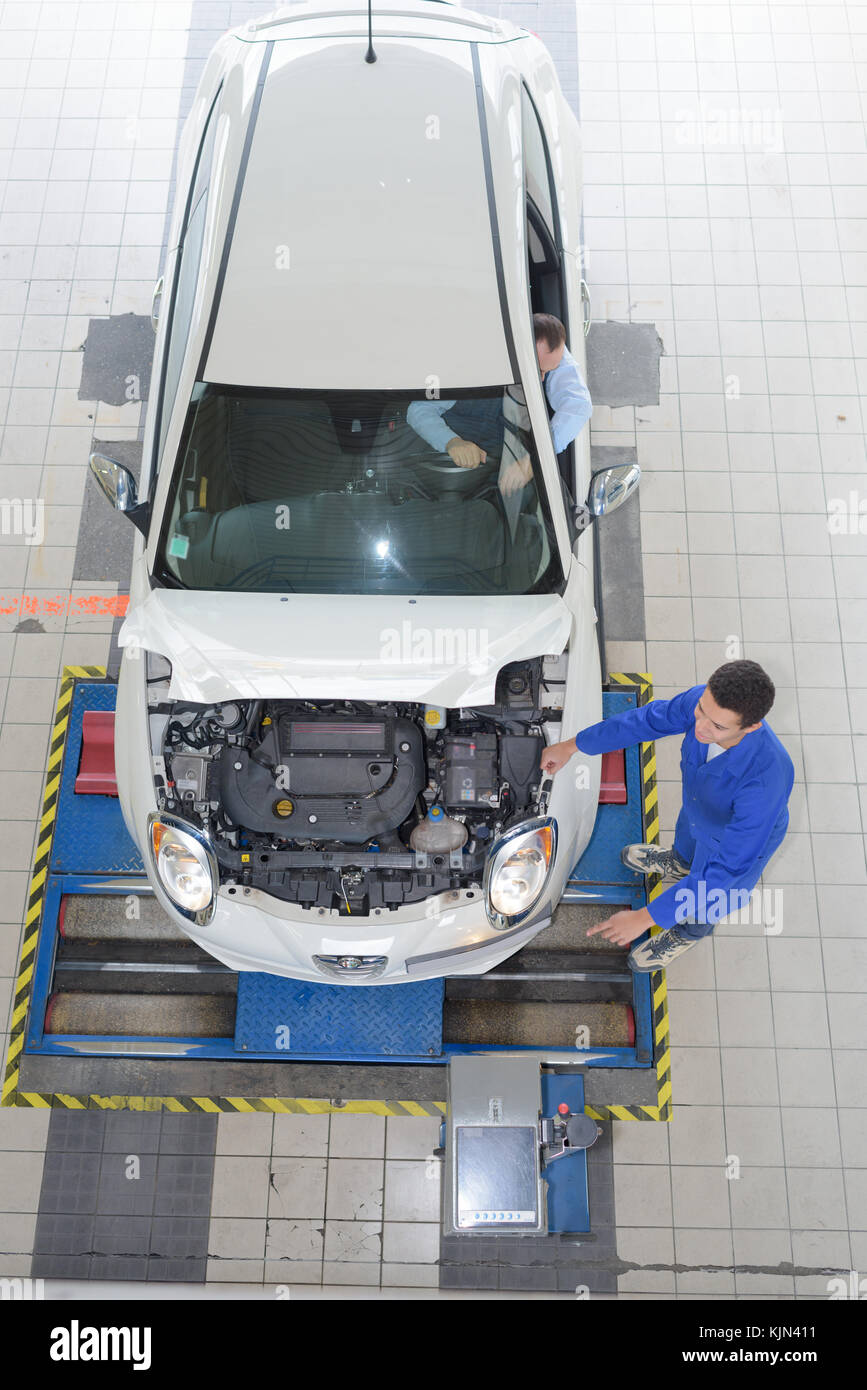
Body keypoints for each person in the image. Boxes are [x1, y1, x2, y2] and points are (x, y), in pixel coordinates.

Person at [540, 661, 794, 972]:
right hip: (699, 807)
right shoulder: (704, 703)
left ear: (752, 726)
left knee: (712, 898)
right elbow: (644, 722)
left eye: (717, 726)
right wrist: (572, 746)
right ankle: (679, 862)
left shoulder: (766, 778)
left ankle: (687, 933)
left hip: (736, 839)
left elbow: (725, 870)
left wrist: (645, 918)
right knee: (686, 841)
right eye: (702, 710)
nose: (700, 726)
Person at [405, 313, 592, 496]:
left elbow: (577, 405)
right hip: (442, 467)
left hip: (501, 471)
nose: (543, 379)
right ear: (514, 349)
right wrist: (452, 442)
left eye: (549, 371)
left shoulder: (547, 348)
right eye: (539, 371)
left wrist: (535, 458)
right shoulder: (462, 362)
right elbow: (419, 410)